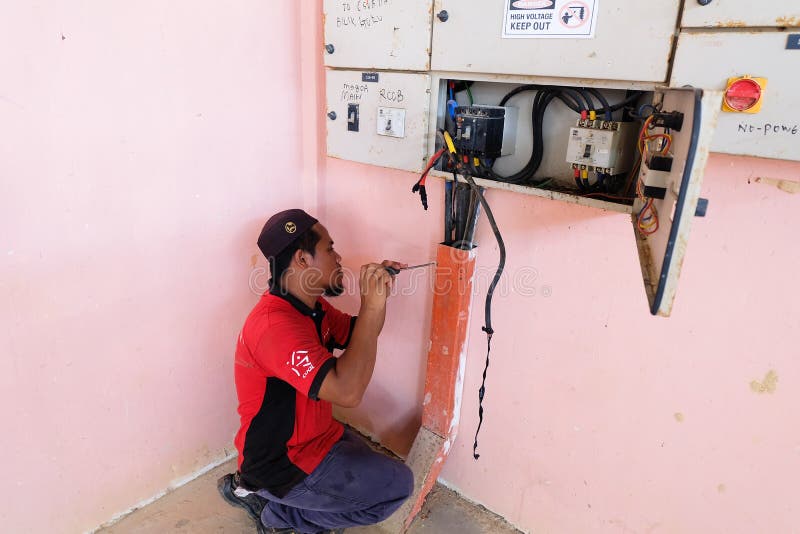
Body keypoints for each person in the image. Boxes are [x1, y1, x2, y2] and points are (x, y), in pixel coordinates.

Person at [218, 209, 414, 534]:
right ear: (302, 260)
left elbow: (359, 333)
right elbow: (348, 392)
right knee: (396, 487)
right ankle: (279, 517)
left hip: (317, 437)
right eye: (330, 249)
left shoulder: (312, 307)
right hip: (283, 463)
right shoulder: (275, 327)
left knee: (368, 462)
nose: (339, 258)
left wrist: (379, 297)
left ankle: (260, 494)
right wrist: (372, 305)